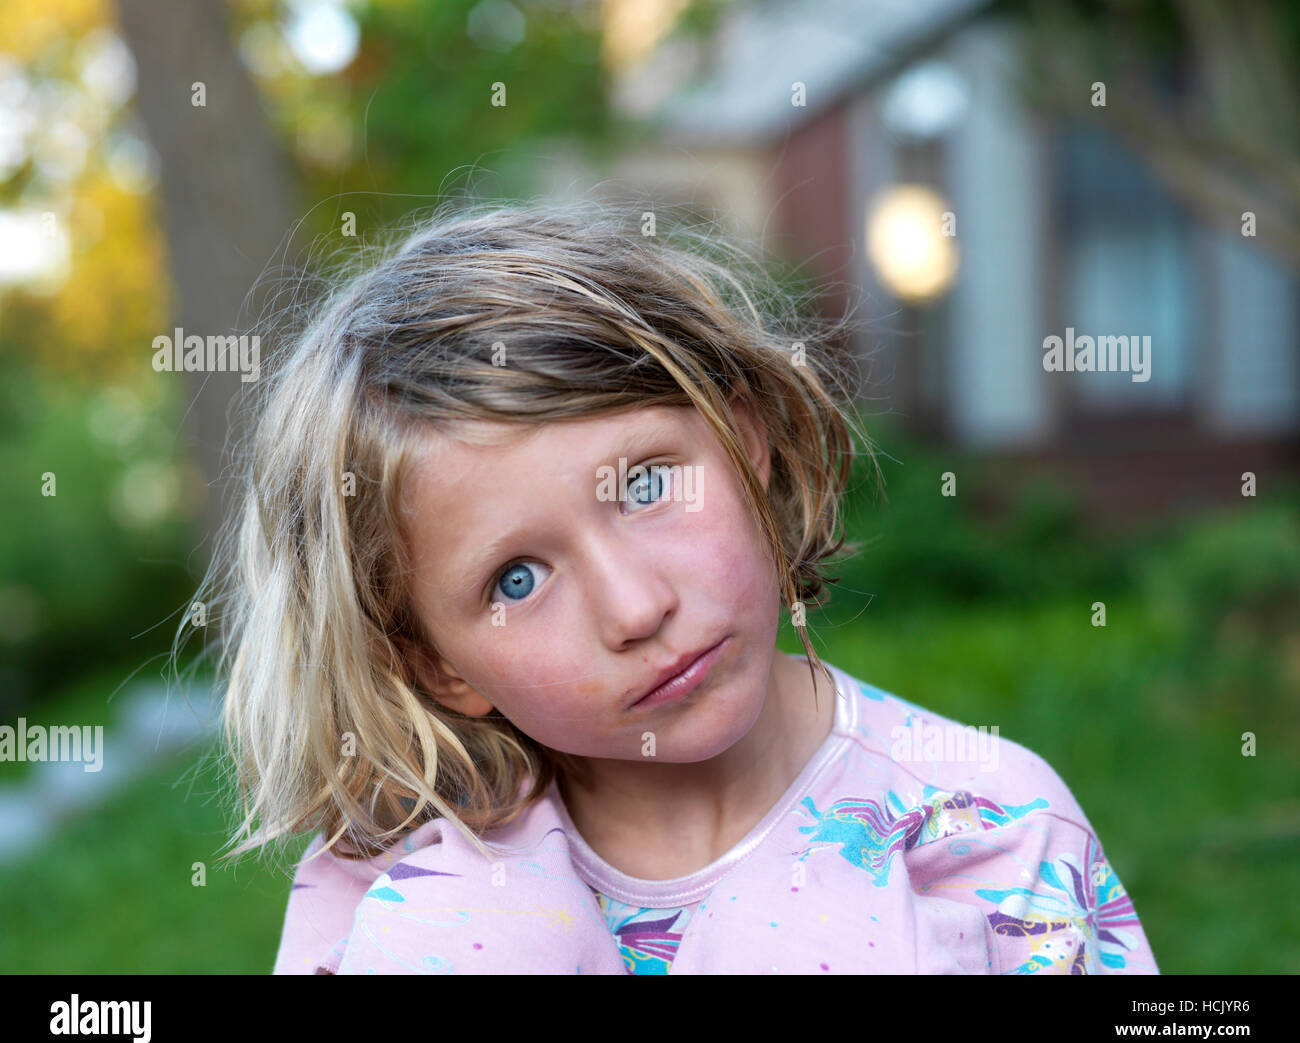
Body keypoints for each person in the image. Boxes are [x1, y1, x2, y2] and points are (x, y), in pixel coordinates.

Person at [185, 196, 1159, 974]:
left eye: (645, 483)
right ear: (437, 663)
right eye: (516, 578)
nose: (634, 606)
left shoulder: (985, 824)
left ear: (744, 438)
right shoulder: (387, 900)